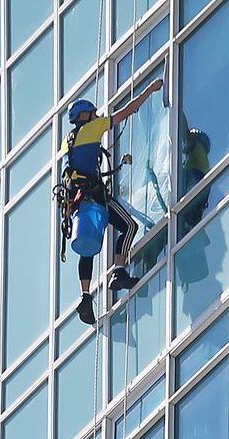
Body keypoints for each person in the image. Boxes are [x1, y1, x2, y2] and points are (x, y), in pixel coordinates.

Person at [58, 78, 164, 325]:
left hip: (76, 202)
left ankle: (85, 297)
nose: (96, 115)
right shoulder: (91, 129)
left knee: (89, 244)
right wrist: (150, 90)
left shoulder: (67, 141)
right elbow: (126, 112)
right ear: (85, 116)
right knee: (129, 226)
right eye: (92, 113)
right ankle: (119, 271)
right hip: (94, 195)